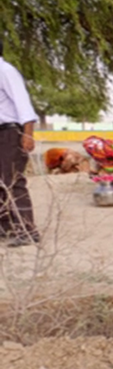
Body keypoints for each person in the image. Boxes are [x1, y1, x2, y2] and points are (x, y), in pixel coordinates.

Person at [0, 38, 40, 247]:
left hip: (9, 133)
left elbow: (23, 103)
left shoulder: (6, 71)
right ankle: (5, 227)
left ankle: (26, 230)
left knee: (13, 181)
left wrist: (28, 134)